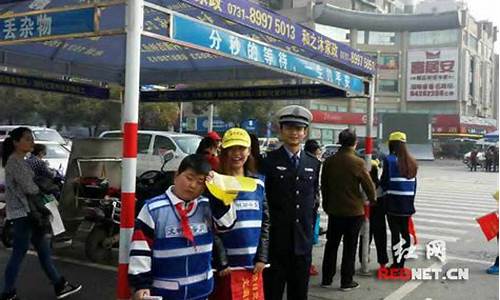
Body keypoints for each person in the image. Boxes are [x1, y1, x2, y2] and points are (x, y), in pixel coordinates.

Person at [129, 154, 231, 300]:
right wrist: (141, 285)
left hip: (201, 292)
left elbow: (227, 224)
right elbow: (141, 250)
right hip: (164, 293)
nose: (193, 185)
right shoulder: (153, 209)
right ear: (177, 175)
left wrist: (217, 196)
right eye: (189, 178)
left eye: (200, 181)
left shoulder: (208, 206)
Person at [1, 127, 81, 300]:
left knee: (43, 250)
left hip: (30, 212)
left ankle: (60, 285)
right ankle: (7, 292)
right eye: (28, 139)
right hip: (24, 213)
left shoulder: (21, 161)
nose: (32, 142)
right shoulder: (15, 162)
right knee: (19, 254)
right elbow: (29, 188)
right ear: (16, 142)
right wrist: (44, 186)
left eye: (32, 139)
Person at [262, 105, 321, 300]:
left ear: (305, 133)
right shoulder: (268, 161)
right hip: (276, 242)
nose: (294, 133)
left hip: (302, 242)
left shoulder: (313, 163)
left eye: (299, 129)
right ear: (281, 130)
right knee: (273, 292)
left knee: (299, 293)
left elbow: (313, 200)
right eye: (289, 128)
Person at [208, 128, 269, 292]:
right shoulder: (214, 182)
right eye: (231, 148)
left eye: (241, 148)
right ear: (223, 151)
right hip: (225, 268)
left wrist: (262, 257)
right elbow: (210, 225)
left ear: (249, 151)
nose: (236, 154)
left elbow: (265, 223)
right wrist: (221, 261)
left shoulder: (258, 183)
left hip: (253, 266)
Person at [320, 129, 376, 291]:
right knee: (350, 247)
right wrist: (372, 200)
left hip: (334, 210)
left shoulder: (329, 161)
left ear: (339, 141)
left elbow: (324, 185)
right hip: (353, 211)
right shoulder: (357, 162)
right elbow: (368, 185)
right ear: (354, 143)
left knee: (331, 245)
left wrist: (327, 204)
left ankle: (326, 278)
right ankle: (346, 281)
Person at [381, 131, 418, 270]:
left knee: (395, 234)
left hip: (393, 203)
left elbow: (384, 182)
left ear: (392, 144)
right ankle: (401, 263)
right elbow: (415, 186)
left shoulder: (389, 160)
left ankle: (396, 263)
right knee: (405, 233)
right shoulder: (412, 161)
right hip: (407, 204)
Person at [358, 158, 389, 272]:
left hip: (365, 216)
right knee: (381, 240)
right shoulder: (381, 187)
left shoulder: (362, 186)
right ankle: (382, 264)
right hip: (379, 218)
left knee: (364, 238)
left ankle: (363, 260)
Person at [303, 139, 322, 276]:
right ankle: (307, 264)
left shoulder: (306, 161)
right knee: (307, 236)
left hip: (309, 205)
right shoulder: (315, 163)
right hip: (311, 206)